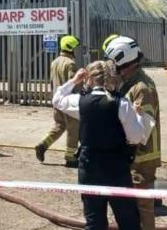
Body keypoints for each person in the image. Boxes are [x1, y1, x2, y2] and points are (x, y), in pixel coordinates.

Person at [54, 60, 154, 230]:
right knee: (128, 220)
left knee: (95, 222)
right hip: (116, 169)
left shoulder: (81, 102)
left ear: (90, 79)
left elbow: (57, 99)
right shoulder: (121, 103)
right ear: (112, 77)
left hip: (89, 168)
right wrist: (137, 116)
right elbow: (136, 137)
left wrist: (74, 81)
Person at [105, 35, 162, 230]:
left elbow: (143, 129)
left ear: (125, 62)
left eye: (114, 64)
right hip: (130, 156)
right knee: (128, 208)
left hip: (141, 159)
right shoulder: (129, 82)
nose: (112, 68)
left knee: (142, 208)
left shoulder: (142, 88)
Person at [36, 35, 81, 167]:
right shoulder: (70, 64)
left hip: (57, 100)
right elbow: (74, 82)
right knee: (73, 129)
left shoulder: (54, 62)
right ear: (71, 49)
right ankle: (70, 157)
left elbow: (51, 81)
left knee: (59, 126)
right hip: (68, 103)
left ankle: (43, 145)